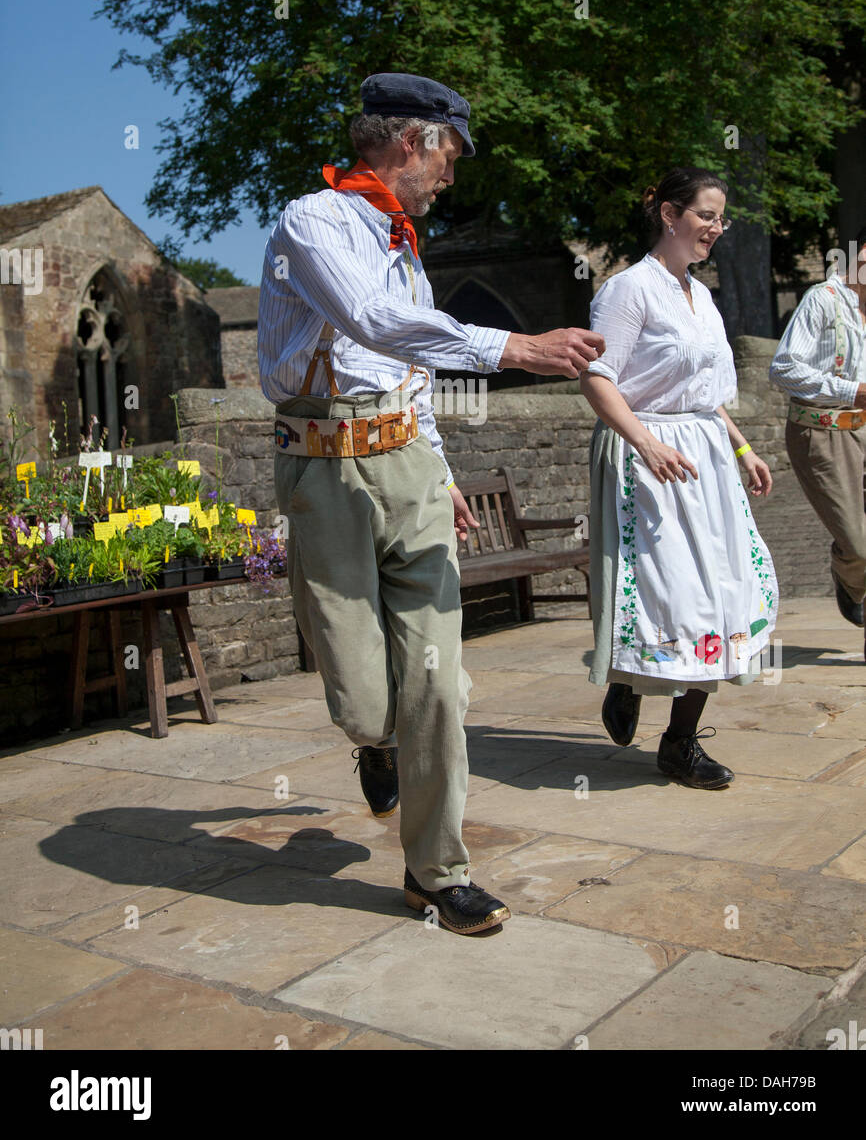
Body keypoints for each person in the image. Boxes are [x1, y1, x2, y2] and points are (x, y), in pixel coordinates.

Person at [257, 71, 604, 933]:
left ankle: (437, 873)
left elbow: (407, 377)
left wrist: (441, 471)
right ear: (414, 140)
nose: (452, 174)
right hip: (325, 473)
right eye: (450, 154)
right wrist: (514, 346)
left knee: (440, 685)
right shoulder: (315, 222)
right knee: (368, 701)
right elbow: (372, 321)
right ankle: (374, 744)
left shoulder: (406, 246)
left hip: (408, 463)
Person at [579, 167, 778, 788]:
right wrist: (646, 442)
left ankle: (679, 742)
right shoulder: (627, 290)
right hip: (648, 456)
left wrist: (743, 447)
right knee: (672, 599)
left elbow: (705, 392)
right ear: (670, 215)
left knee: (724, 594)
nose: (717, 229)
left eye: (722, 219)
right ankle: (629, 677)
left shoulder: (702, 295)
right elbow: (595, 378)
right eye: (706, 216)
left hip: (709, 459)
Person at [769, 226, 866, 647]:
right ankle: (850, 573)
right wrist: (852, 391)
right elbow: (784, 368)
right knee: (860, 544)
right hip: (824, 433)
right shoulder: (822, 301)